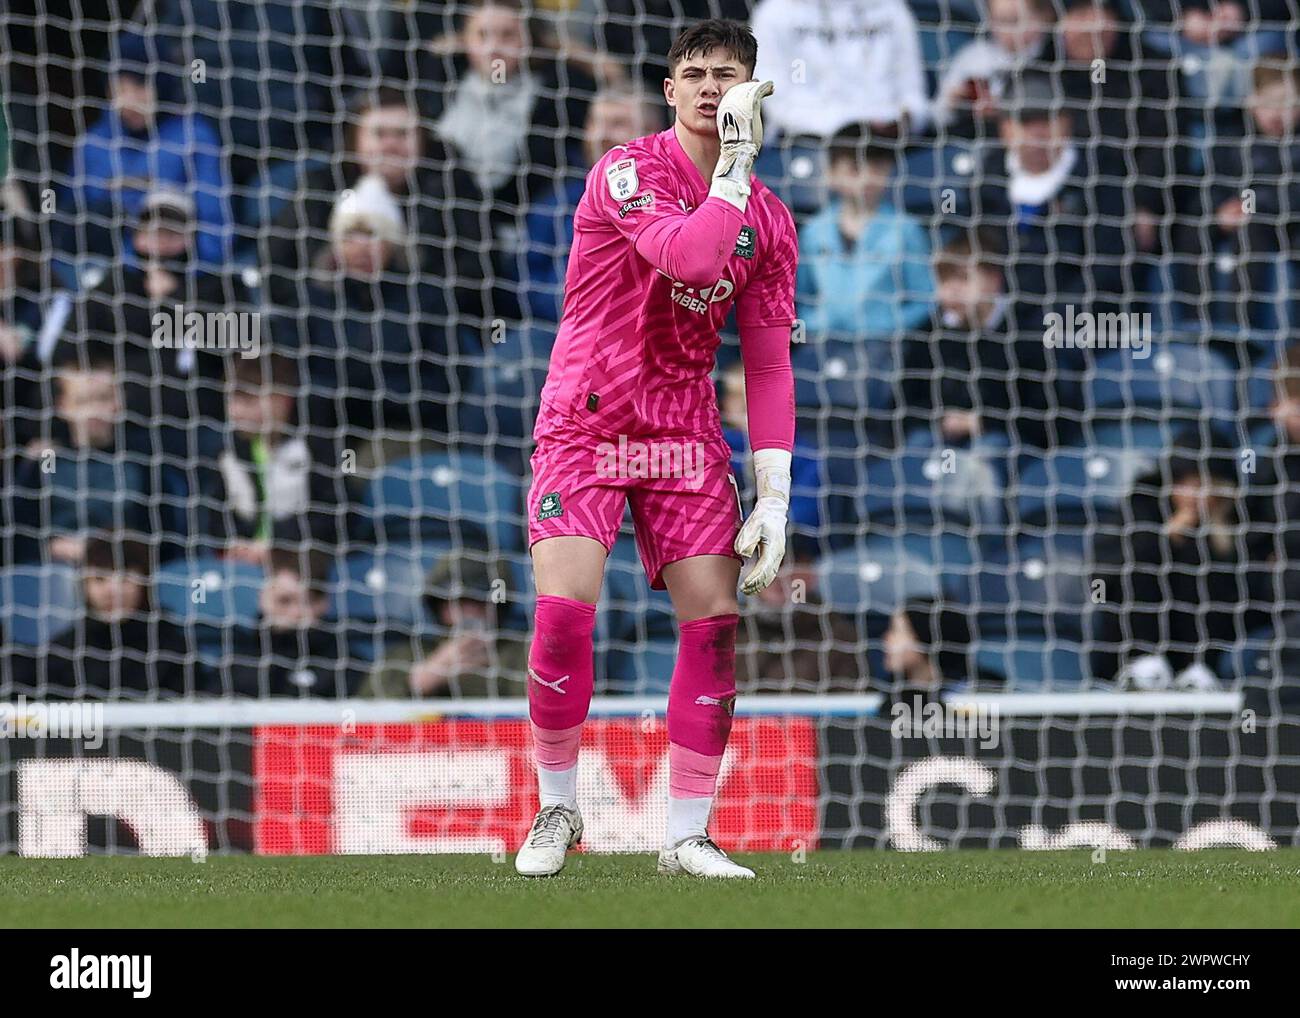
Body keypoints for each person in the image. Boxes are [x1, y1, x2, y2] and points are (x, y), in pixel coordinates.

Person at [514, 20, 797, 880]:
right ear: (669, 90)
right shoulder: (626, 171)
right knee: (565, 612)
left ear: (754, 90)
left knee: (714, 626)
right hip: (587, 424)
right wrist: (737, 170)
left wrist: (774, 493)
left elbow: (769, 361)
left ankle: (685, 836)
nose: (713, 87)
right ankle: (556, 807)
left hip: (680, 433)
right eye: (696, 74)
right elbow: (689, 252)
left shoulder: (774, 226)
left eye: (730, 75)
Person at [1090, 427, 1257, 688]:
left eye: (1202, 483)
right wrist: (1169, 537)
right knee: (1143, 561)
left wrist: (1219, 531)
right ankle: (1143, 663)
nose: (1193, 493)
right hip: (1129, 645)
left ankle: (1200, 668)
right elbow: (1105, 576)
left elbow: (1253, 588)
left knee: (1206, 567)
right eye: (1184, 483)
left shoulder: (1242, 519)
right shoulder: (1142, 506)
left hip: (1206, 653)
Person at [56, 30, 231, 269]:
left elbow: (216, 225)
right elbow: (67, 227)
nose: (128, 101)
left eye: (139, 87)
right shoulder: (92, 144)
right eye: (118, 90)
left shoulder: (194, 137)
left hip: (177, 271)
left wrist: (179, 271)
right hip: (104, 276)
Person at [6, 535, 199, 698]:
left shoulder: (171, 647)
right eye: (100, 579)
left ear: (145, 581)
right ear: (84, 586)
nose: (113, 590)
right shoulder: (68, 649)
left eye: (125, 577)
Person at [795, 123, 933, 337]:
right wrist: (816, 322)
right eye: (855, 169)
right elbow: (799, 295)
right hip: (822, 342)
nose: (868, 177)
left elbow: (924, 298)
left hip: (884, 346)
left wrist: (888, 325)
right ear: (831, 174)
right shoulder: (813, 231)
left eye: (877, 167)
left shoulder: (905, 229)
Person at [364, 551, 528, 698]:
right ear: (438, 606)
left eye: (479, 601)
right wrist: (422, 680)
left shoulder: (522, 654)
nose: (468, 612)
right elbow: (362, 715)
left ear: (499, 607)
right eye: (458, 601)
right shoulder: (405, 656)